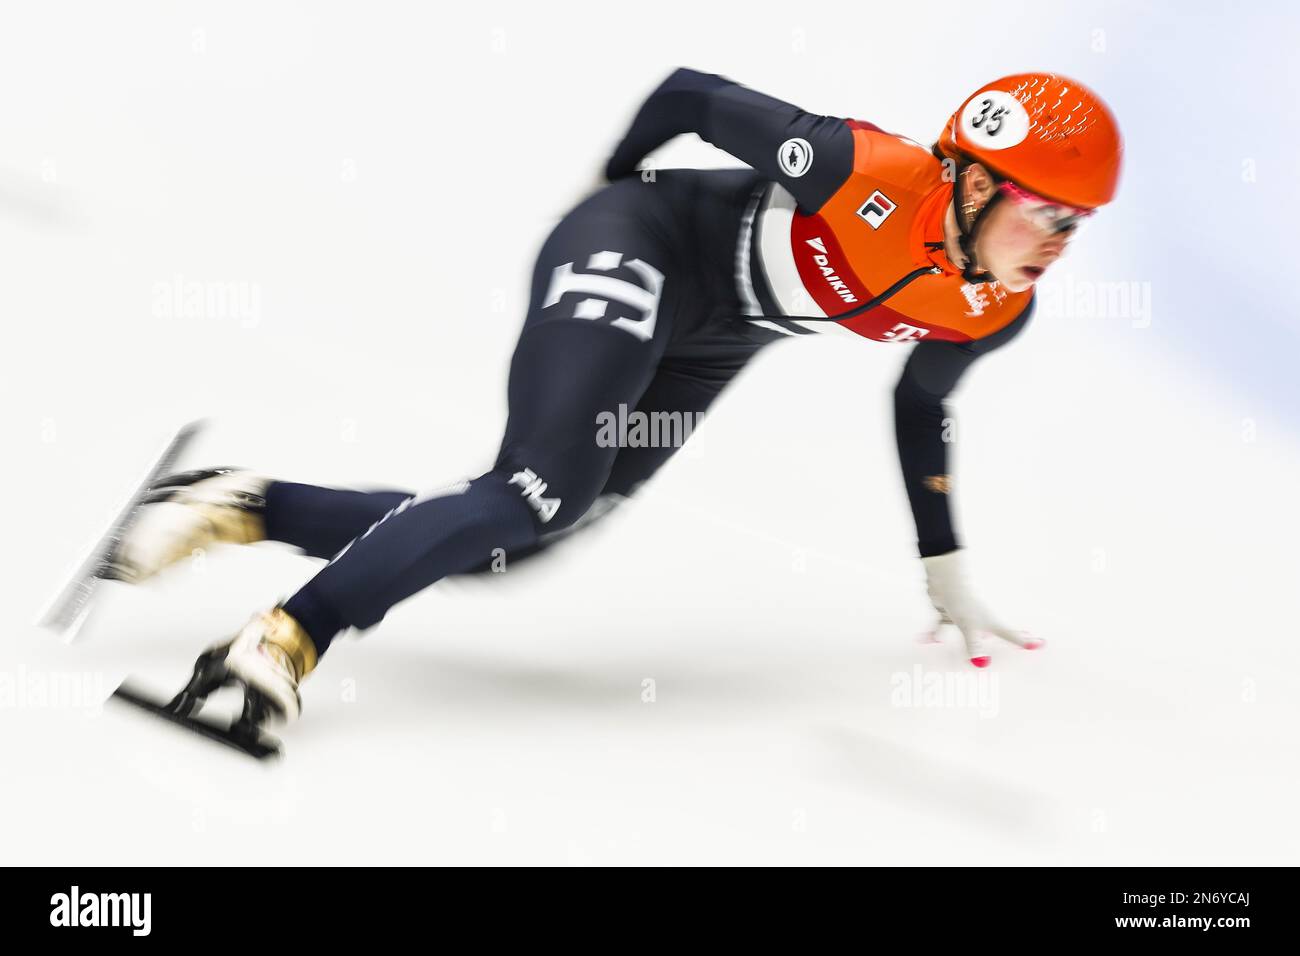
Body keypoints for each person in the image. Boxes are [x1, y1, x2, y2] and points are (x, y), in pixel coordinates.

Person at [110, 69, 1123, 723]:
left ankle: (237, 503)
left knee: (526, 533)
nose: (1055, 243)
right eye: (1044, 212)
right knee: (534, 487)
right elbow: (688, 96)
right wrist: (609, 188)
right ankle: (285, 637)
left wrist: (941, 560)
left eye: (1075, 225)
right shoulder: (861, 167)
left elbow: (919, 406)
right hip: (641, 246)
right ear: (976, 183)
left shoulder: (992, 309)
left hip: (716, 338)